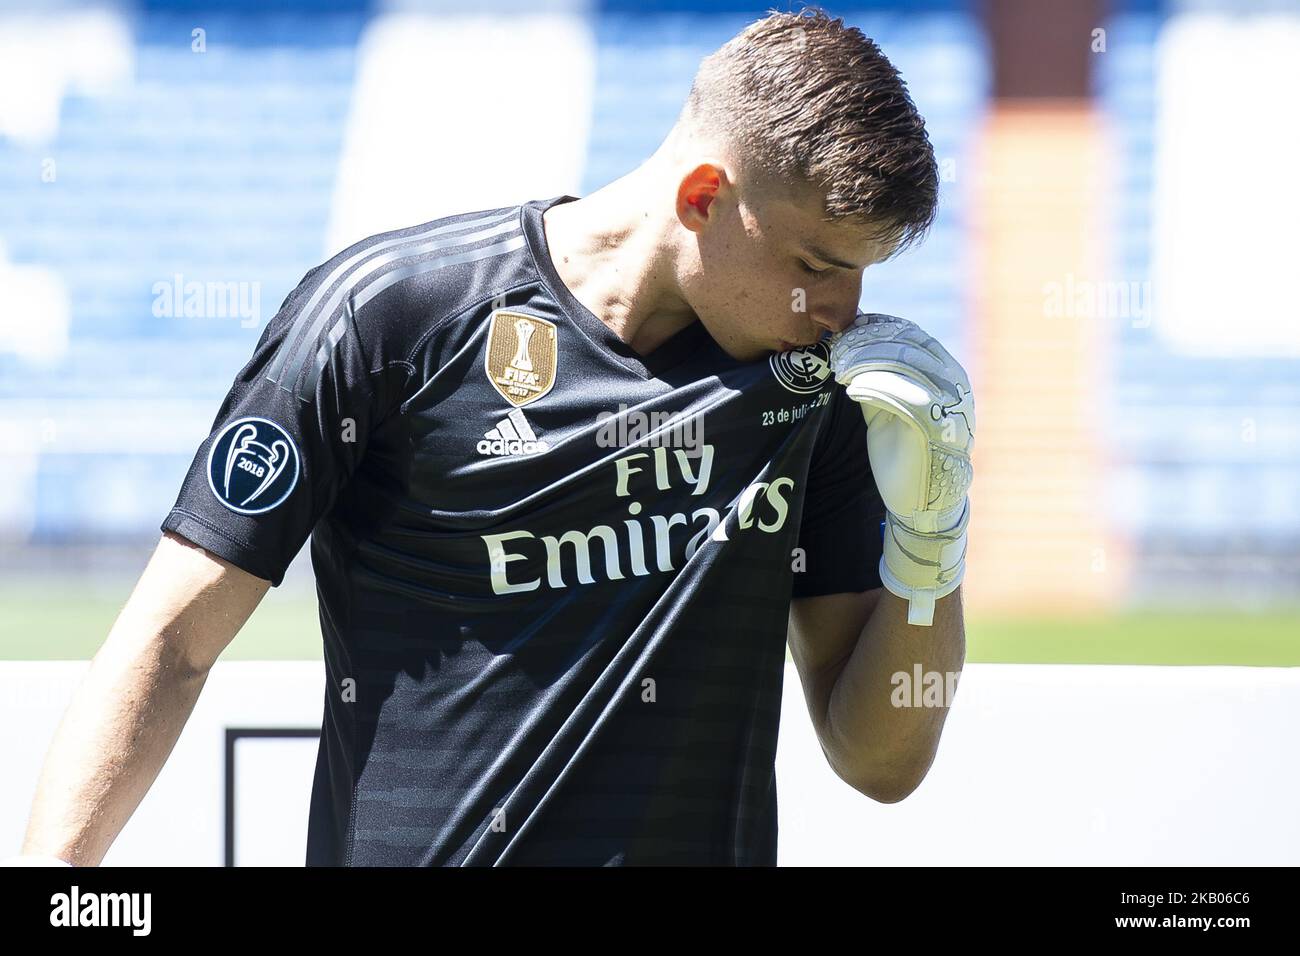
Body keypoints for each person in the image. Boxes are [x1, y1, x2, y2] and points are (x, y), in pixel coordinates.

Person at [10, 7, 971, 867]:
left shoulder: (820, 389)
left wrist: (932, 541)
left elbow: (881, 759)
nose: (843, 313)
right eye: (818, 265)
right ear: (704, 197)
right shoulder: (390, 319)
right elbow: (170, 641)